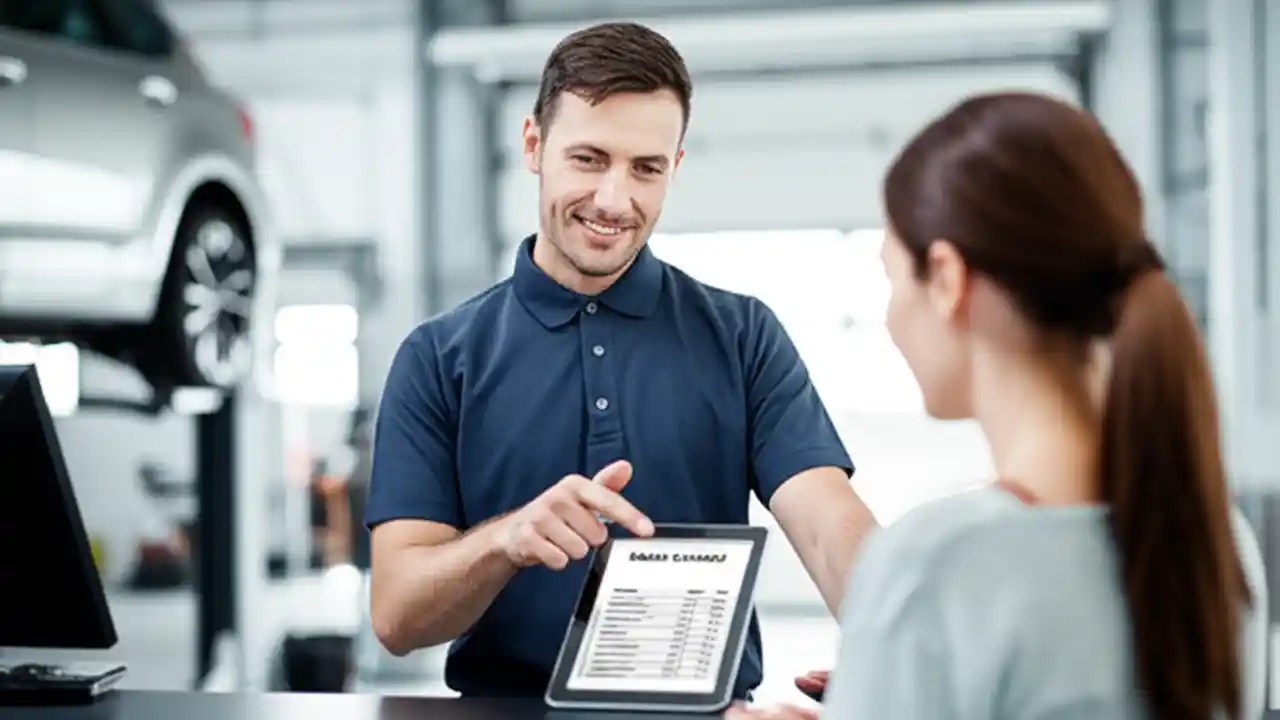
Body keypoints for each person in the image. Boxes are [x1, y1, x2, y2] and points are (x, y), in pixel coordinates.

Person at [365, 21, 878, 700]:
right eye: (588, 159)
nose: (614, 200)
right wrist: (507, 540)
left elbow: (827, 526)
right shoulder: (438, 358)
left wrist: (900, 643)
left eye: (646, 168)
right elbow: (397, 616)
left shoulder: (744, 335)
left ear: (676, 168)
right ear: (533, 145)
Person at [729, 91, 1268, 719]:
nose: (890, 315)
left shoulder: (939, 562)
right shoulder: (1217, 542)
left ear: (948, 280)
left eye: (893, 278)